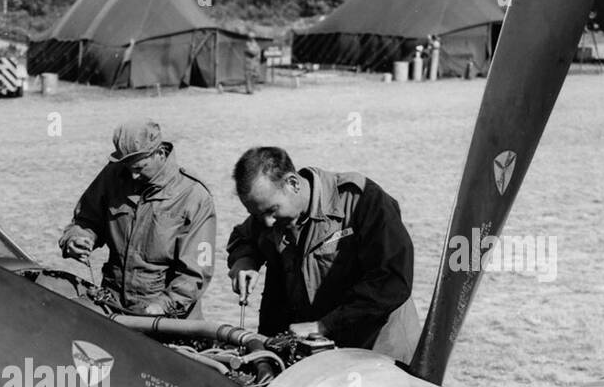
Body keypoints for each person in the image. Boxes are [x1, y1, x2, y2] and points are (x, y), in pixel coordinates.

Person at [227, 146, 420, 361]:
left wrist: (323, 326)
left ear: (292, 183)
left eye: (272, 211)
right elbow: (244, 237)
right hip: (316, 353)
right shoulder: (268, 211)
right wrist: (245, 260)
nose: (266, 223)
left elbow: (392, 281)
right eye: (256, 214)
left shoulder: (362, 200)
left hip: (378, 352)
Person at [58, 120, 215, 318]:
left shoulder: (193, 196)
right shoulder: (113, 175)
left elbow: (196, 273)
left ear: (160, 154)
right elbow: (85, 220)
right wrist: (77, 239)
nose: (132, 175)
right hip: (113, 303)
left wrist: (163, 305)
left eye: (140, 168)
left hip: (167, 314)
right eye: (127, 167)